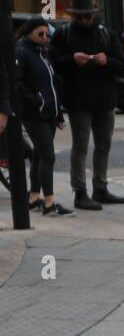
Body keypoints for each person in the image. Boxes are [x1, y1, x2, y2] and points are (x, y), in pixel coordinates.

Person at [48, 0, 124, 211]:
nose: (84, 20)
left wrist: (106, 61)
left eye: (88, 16)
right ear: (74, 16)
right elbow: (53, 63)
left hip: (104, 99)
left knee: (104, 145)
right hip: (78, 100)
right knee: (80, 145)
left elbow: (122, 65)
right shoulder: (63, 34)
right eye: (80, 17)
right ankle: (80, 192)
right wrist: (72, 60)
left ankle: (100, 188)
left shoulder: (106, 34)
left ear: (94, 14)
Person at [15, 18, 73, 217]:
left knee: (40, 155)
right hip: (33, 114)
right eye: (40, 34)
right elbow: (17, 84)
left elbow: (53, 84)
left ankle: (33, 197)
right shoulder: (22, 52)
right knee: (48, 155)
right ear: (28, 32)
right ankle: (49, 202)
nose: (45, 38)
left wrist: (58, 114)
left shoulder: (43, 53)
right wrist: (36, 100)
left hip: (48, 113)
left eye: (47, 34)